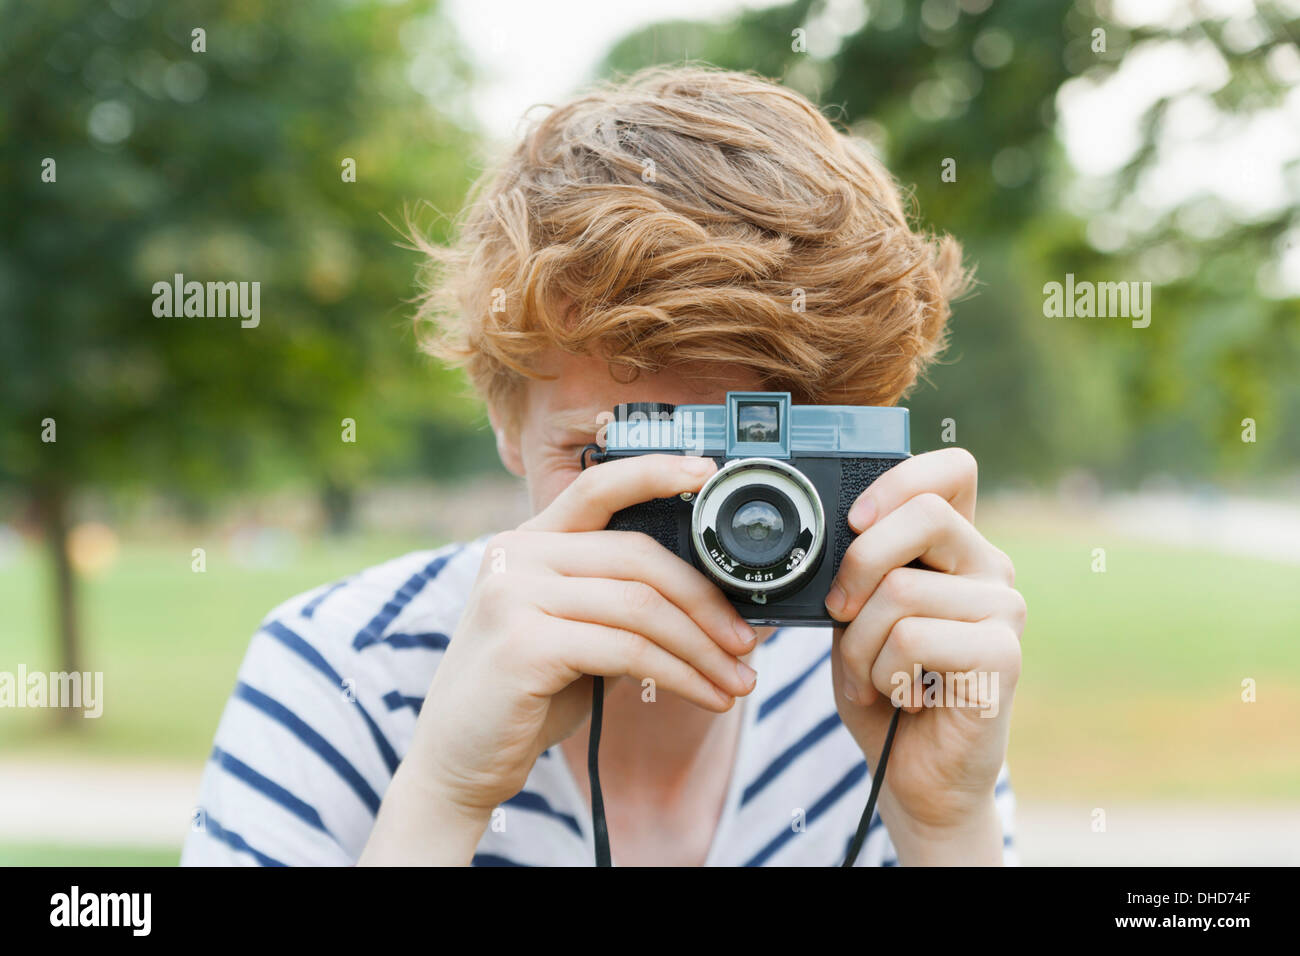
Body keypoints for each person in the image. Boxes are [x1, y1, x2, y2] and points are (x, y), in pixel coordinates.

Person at [181, 67, 1025, 867]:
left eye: (769, 468)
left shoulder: (890, 678)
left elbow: (942, 808)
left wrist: (945, 826)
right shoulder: (343, 674)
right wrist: (442, 795)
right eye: (606, 457)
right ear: (505, 419)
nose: (723, 523)